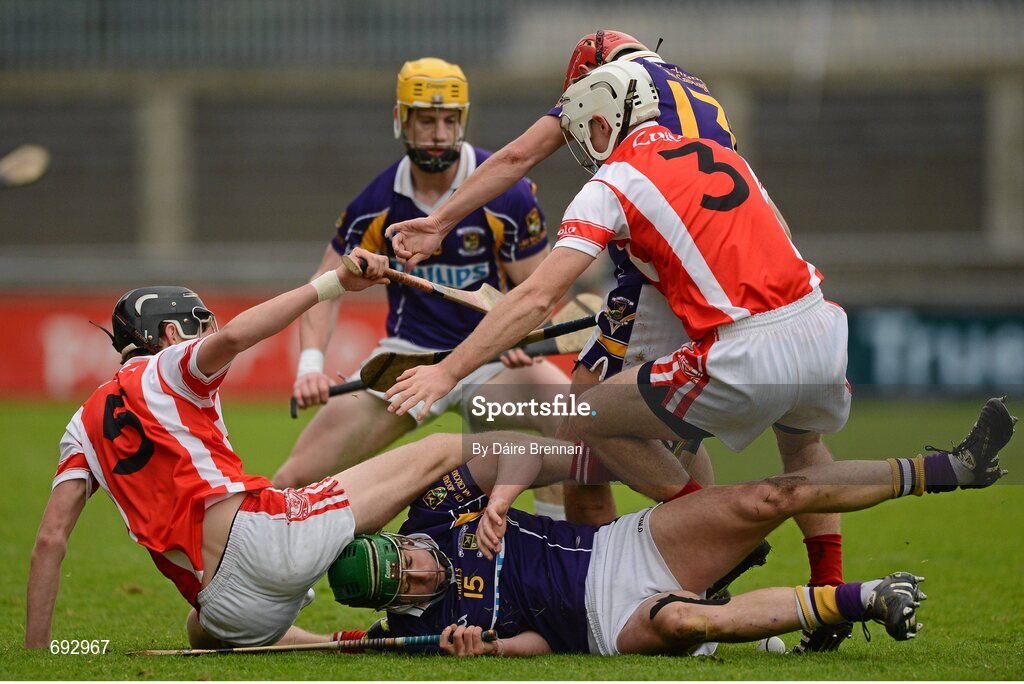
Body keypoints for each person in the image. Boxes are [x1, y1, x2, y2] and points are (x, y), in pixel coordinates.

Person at [384, 58, 853, 650]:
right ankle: (843, 568)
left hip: (735, 343)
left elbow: (533, 289)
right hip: (816, 319)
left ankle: (709, 525)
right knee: (804, 446)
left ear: (603, 117)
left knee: (583, 413)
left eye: (584, 133)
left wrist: (447, 370)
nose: (581, 146)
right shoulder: (722, 145)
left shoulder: (612, 181)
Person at [327, 398, 1014, 656]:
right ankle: (865, 599)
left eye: (407, 556)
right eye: (407, 583)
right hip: (606, 627)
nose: (421, 569)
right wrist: (492, 651)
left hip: (626, 546)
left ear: (398, 537)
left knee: (774, 495)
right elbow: (538, 640)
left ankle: (947, 469)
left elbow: (527, 449)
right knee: (688, 624)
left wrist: (504, 497)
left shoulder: (438, 515)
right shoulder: (412, 634)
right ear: (394, 601)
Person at [24, 253, 471, 650]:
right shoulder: (170, 364)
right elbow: (236, 337)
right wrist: (332, 283)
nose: (207, 332)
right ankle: (537, 456)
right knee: (438, 449)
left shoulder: (80, 426)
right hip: (266, 545)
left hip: (226, 611)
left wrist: (37, 651)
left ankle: (336, 642)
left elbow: (49, 541)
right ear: (169, 332)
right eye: (198, 324)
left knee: (198, 628)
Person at [273, 57, 569, 519]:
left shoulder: (507, 192)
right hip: (408, 358)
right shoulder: (376, 202)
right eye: (426, 120)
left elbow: (540, 287)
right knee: (293, 480)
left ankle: (560, 564)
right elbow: (324, 286)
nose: (438, 133)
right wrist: (310, 366)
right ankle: (275, 579)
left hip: (488, 359)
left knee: (572, 421)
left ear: (463, 121)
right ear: (401, 121)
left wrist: (526, 335)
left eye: (449, 120)